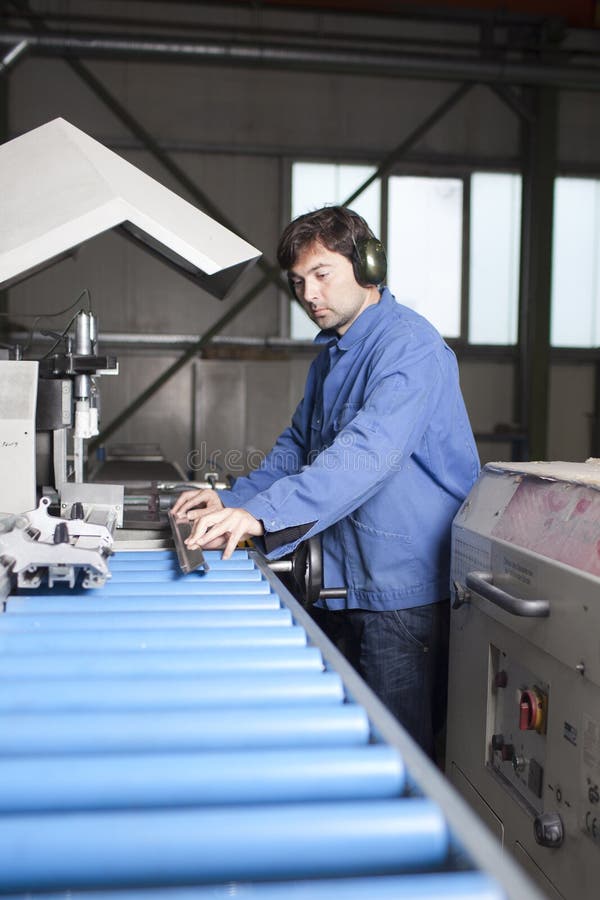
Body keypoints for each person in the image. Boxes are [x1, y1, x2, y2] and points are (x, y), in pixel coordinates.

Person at [172, 205, 480, 757]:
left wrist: (262, 517)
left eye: (322, 274)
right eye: (297, 282)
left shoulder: (410, 349)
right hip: (345, 581)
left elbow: (364, 456)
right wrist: (232, 499)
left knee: (398, 760)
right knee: (351, 747)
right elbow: (297, 449)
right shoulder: (334, 354)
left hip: (400, 597)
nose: (309, 295)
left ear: (367, 264)